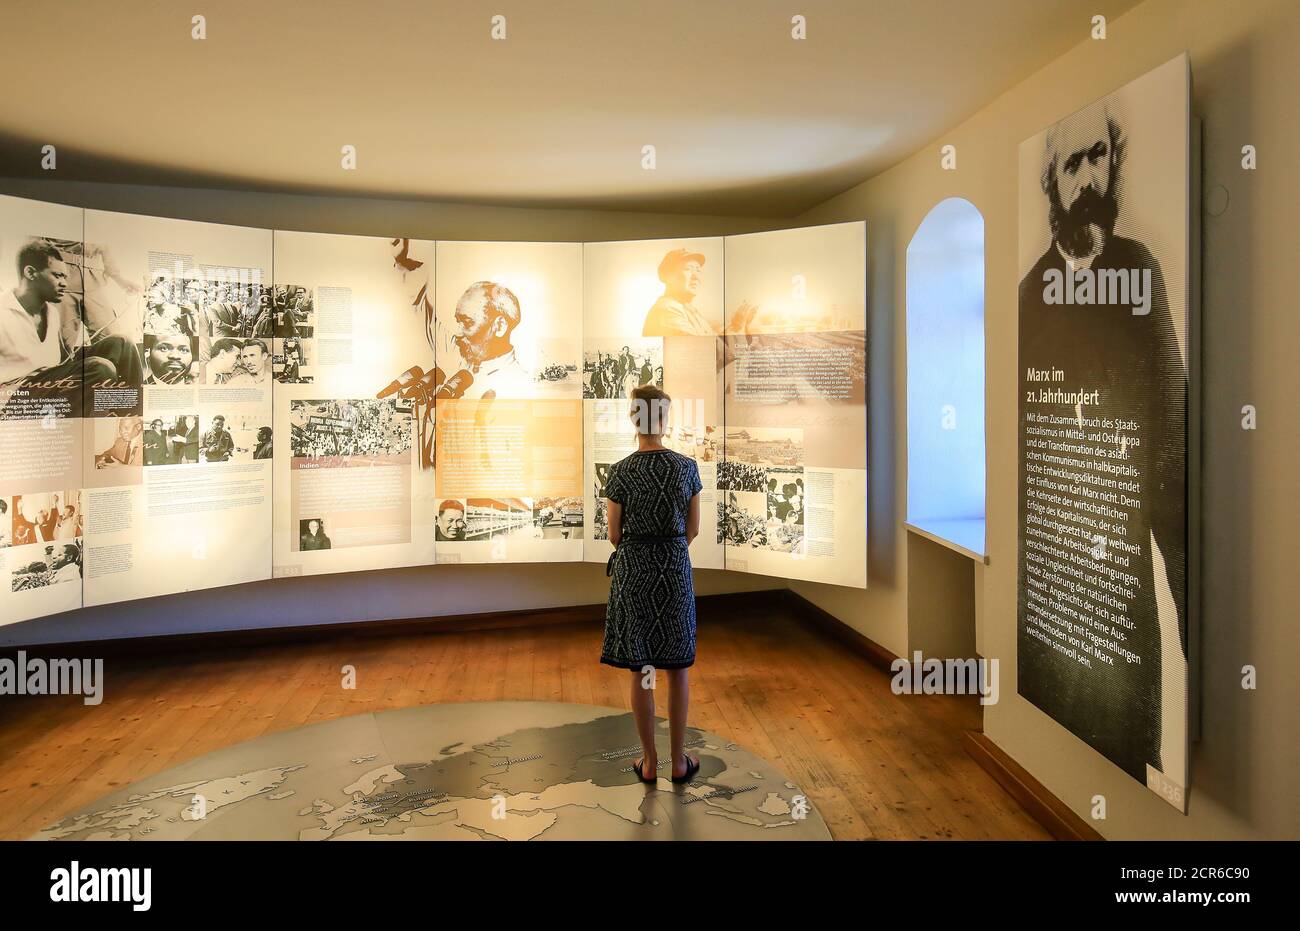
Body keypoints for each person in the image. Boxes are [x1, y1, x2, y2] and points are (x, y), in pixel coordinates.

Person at [1017, 101, 1187, 783]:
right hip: (1052, 589)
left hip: (1114, 595)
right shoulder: (1029, 294)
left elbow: (1172, 457)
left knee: (1122, 754)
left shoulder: (1138, 274)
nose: (1088, 176)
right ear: (1052, 186)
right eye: (1071, 163)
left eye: (1099, 156)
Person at [602, 384, 703, 785]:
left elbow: (614, 535)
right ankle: (679, 761)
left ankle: (649, 762)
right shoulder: (686, 467)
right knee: (678, 667)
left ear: (633, 418)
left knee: (642, 667)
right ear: (665, 419)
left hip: (635, 572)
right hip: (675, 567)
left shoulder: (622, 471)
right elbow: (692, 529)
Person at [642, 248, 716, 337]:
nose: (696, 276)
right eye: (688, 269)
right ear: (668, 276)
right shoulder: (668, 310)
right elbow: (700, 347)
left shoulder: (688, 309)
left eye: (698, 270)